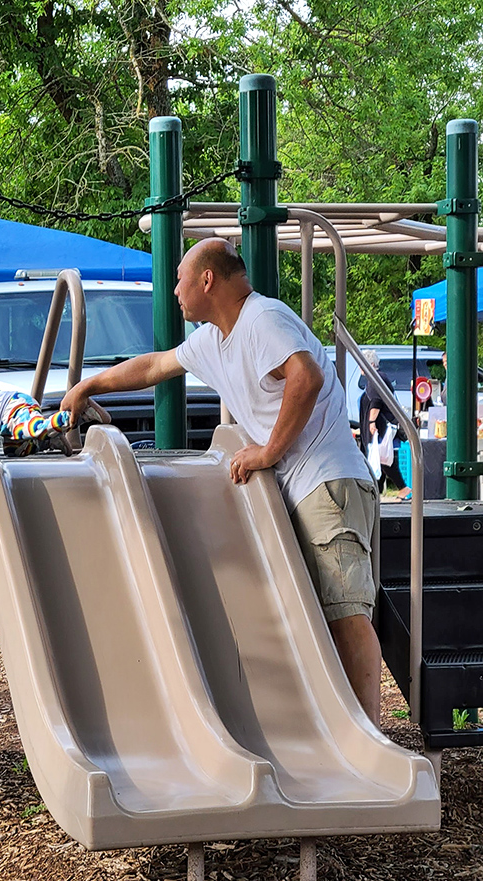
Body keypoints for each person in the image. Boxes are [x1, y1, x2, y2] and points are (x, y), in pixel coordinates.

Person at [61, 238, 383, 726]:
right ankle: (344, 729)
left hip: (325, 482)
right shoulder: (213, 340)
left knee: (346, 614)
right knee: (317, 618)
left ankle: (370, 737)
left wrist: (268, 452)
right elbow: (155, 365)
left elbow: (307, 377)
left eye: (179, 280)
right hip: (299, 489)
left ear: (207, 280)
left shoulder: (261, 318)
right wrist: (90, 384)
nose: (174, 291)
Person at [359, 349, 411, 501]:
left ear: (370, 364)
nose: (360, 368)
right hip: (381, 426)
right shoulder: (378, 378)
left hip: (381, 426)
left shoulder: (375, 379)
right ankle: (377, 492)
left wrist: (371, 422)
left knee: (381, 458)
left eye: (362, 364)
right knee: (380, 459)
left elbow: (376, 402)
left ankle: (400, 488)